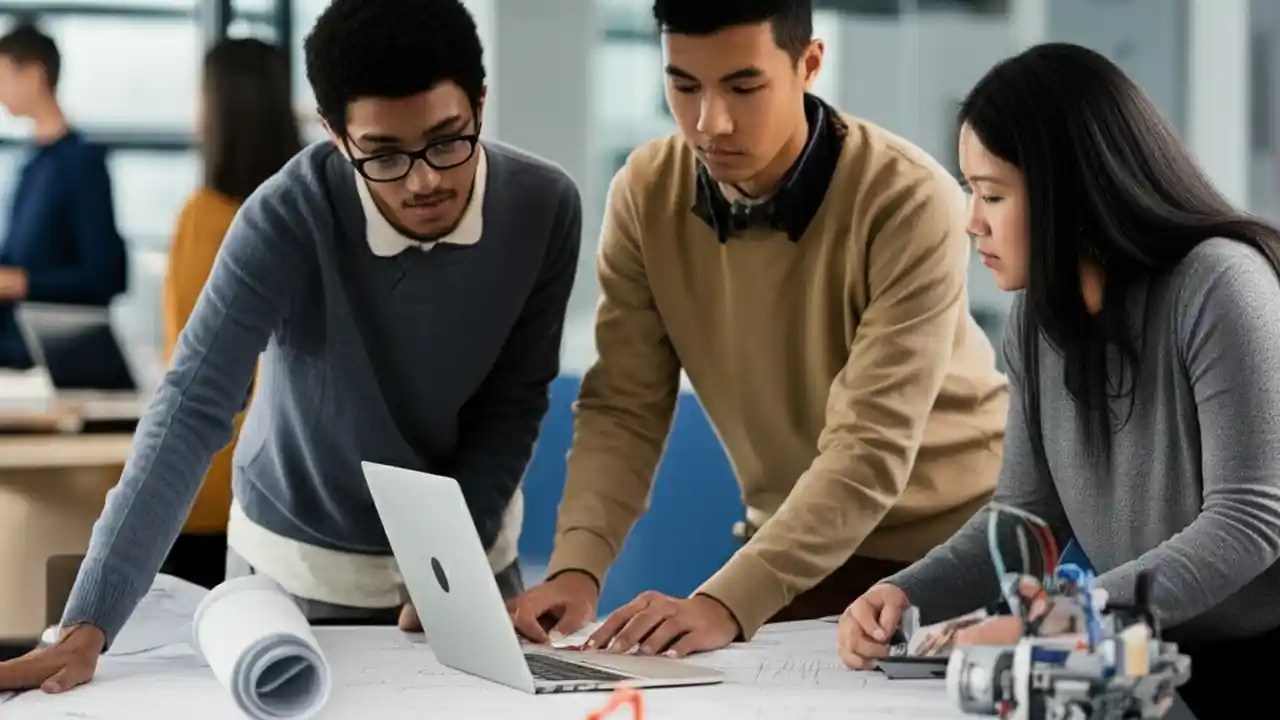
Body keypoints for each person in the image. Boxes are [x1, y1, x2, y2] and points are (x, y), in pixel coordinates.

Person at [0, 0, 581, 695]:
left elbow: (513, 402)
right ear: (336, 136)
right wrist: (89, 621)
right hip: (292, 574)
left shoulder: (545, 207)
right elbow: (189, 408)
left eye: (448, 139)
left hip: (466, 565)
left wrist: (442, 569)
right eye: (384, 154)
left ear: (480, 103)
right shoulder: (285, 215)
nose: (424, 179)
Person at [510, 0, 1008, 658]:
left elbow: (868, 448)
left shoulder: (909, 198)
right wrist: (577, 567)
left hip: (957, 552)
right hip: (796, 551)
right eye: (683, 85)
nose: (708, 122)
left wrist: (723, 600)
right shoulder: (644, 191)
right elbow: (623, 406)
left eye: (744, 86)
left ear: (809, 64)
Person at [835, 43, 1280, 717]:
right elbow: (1025, 518)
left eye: (991, 194)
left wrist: (1059, 617)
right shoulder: (1036, 319)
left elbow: (1249, 521)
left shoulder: (1221, 284)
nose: (970, 222)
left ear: (1067, 190)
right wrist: (908, 592)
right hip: (1131, 657)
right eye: (968, 191)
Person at [157, 38, 303, 590]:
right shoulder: (308, 214)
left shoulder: (207, 217)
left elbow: (193, 367)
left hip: (208, 482)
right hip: (292, 486)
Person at [0, 23, 126, 369]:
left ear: (35, 75)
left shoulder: (81, 163)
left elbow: (105, 275)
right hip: (13, 341)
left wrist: (21, 283)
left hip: (46, 351)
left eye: (4, 75)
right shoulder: (31, 164)